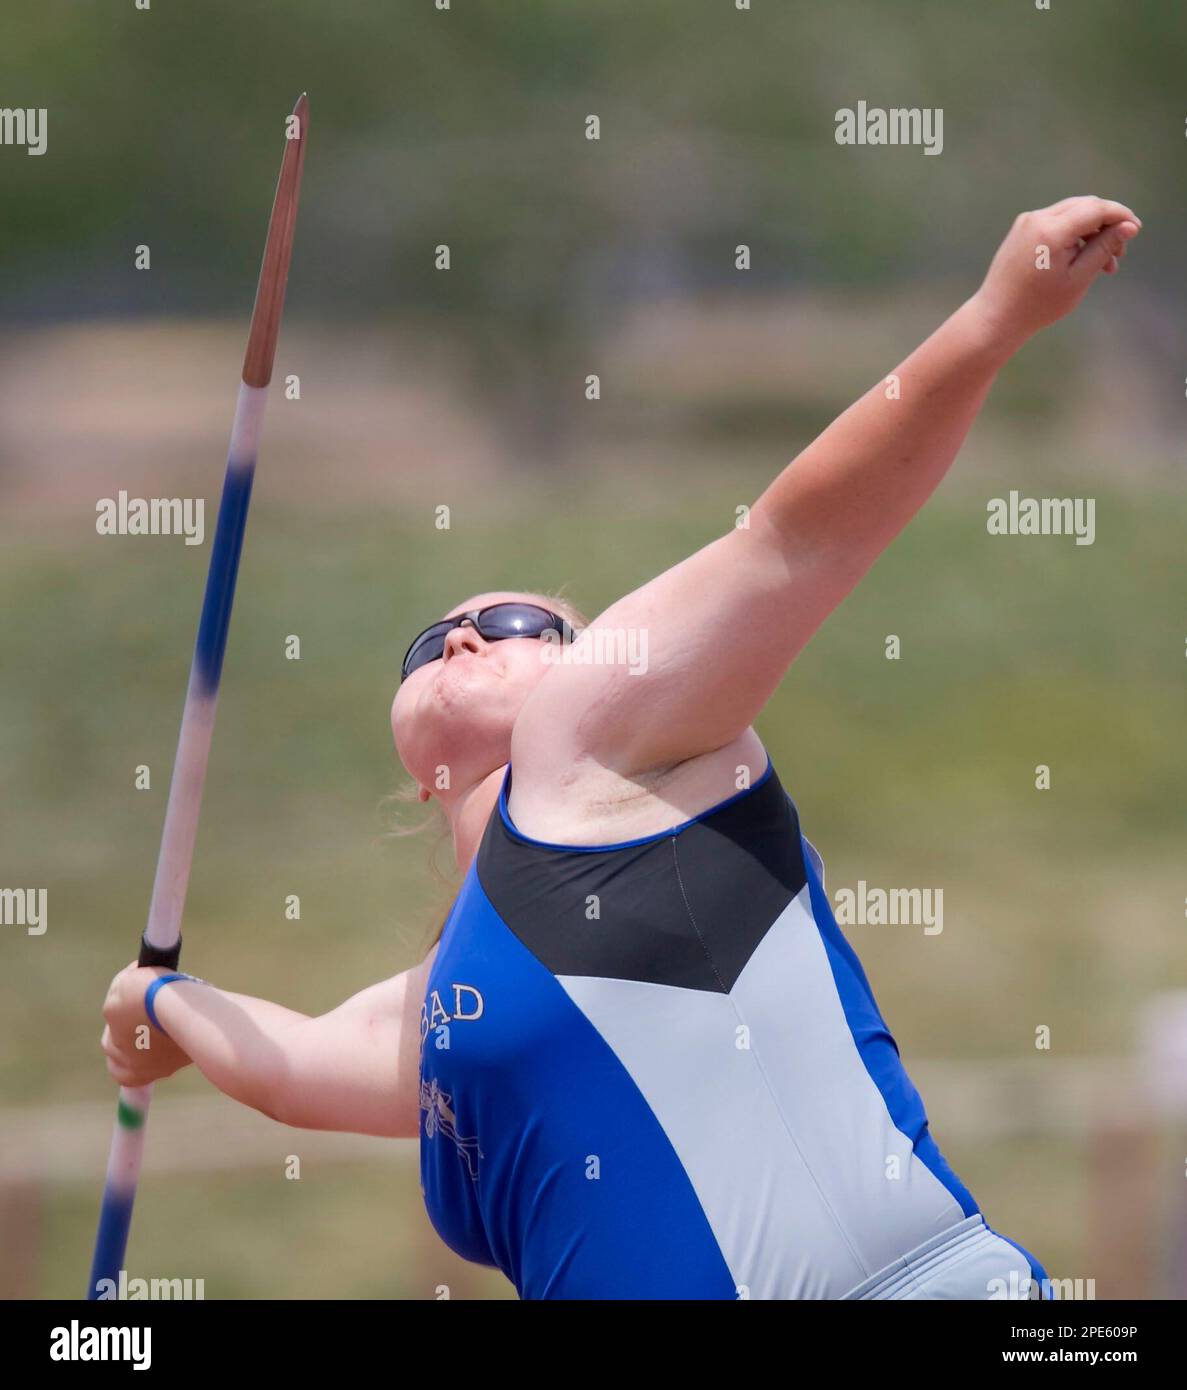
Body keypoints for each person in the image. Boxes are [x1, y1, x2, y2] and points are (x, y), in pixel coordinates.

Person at [102, 196, 1141, 1299]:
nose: (463, 634)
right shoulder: (448, 1004)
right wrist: (157, 1005)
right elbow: (293, 1067)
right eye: (430, 642)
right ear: (414, 774)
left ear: (612, 665)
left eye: (516, 627)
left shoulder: (593, 741)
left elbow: (795, 537)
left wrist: (994, 316)